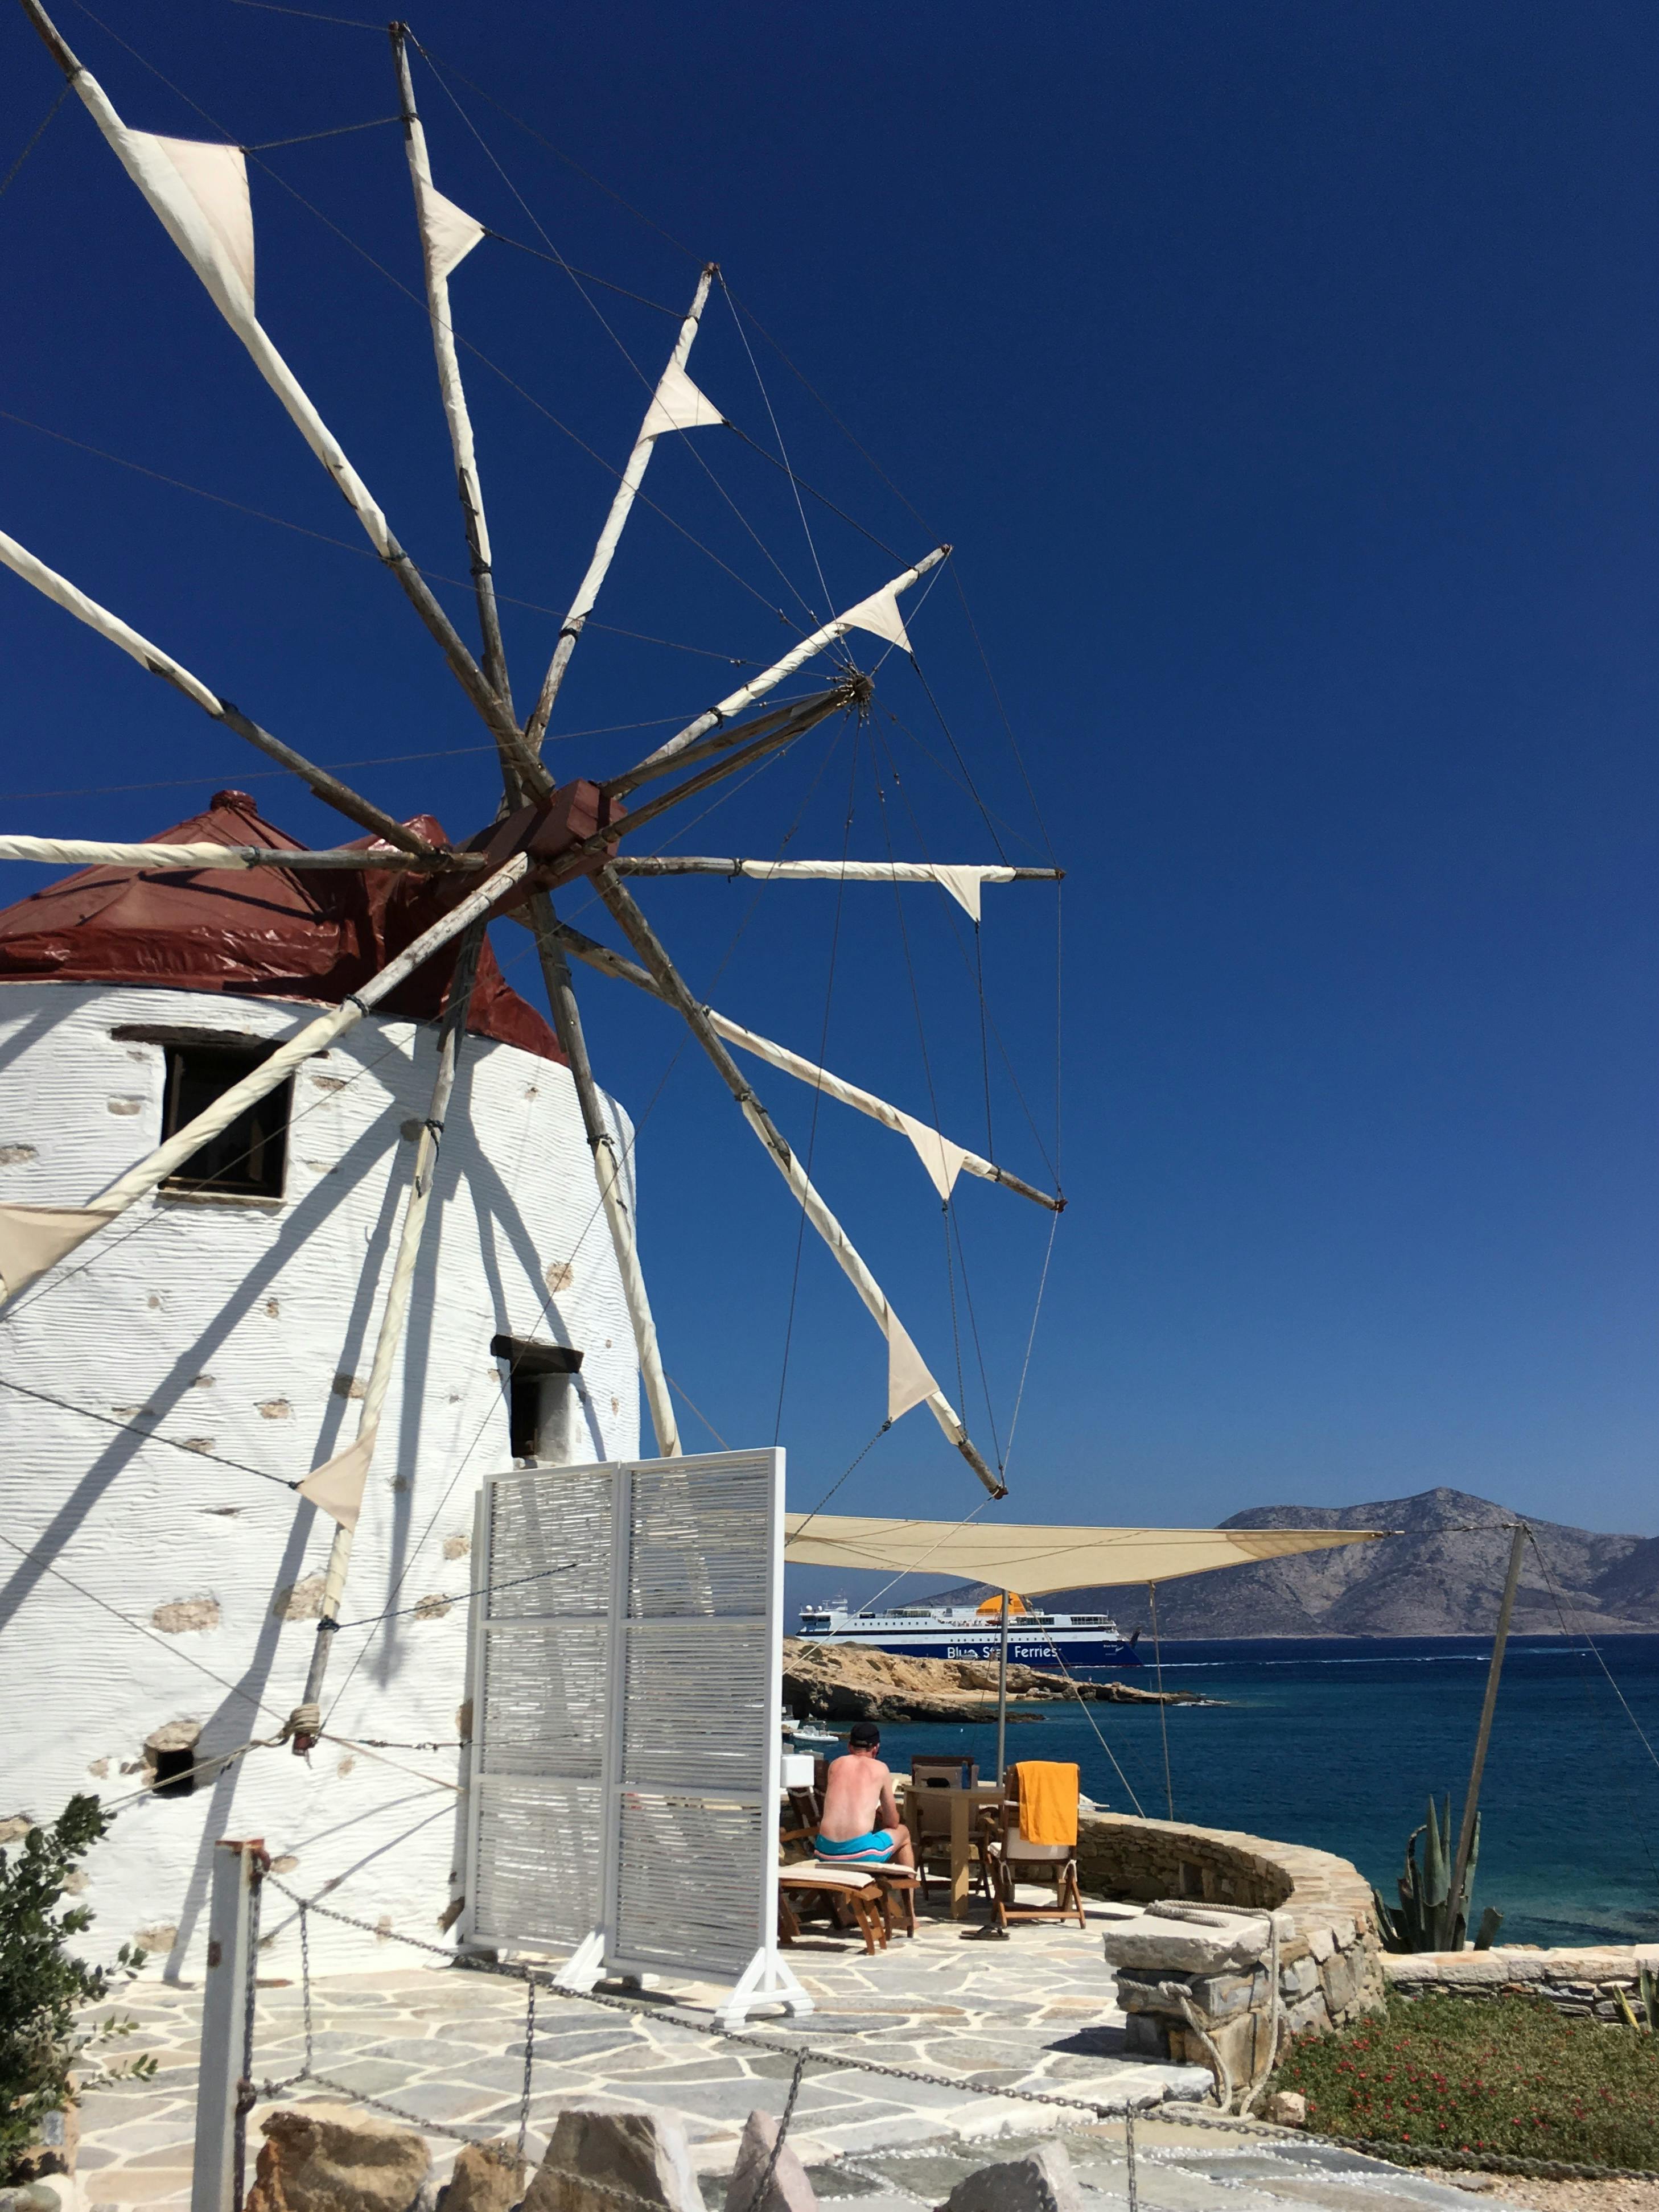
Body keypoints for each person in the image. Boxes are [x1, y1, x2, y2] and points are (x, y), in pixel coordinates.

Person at [815, 1720, 915, 1867]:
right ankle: (907, 1889)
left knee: (877, 1842)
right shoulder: (880, 1768)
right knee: (903, 1832)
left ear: (850, 1747)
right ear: (876, 1749)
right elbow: (892, 1822)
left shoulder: (835, 1765)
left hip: (824, 1851)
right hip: (860, 1853)